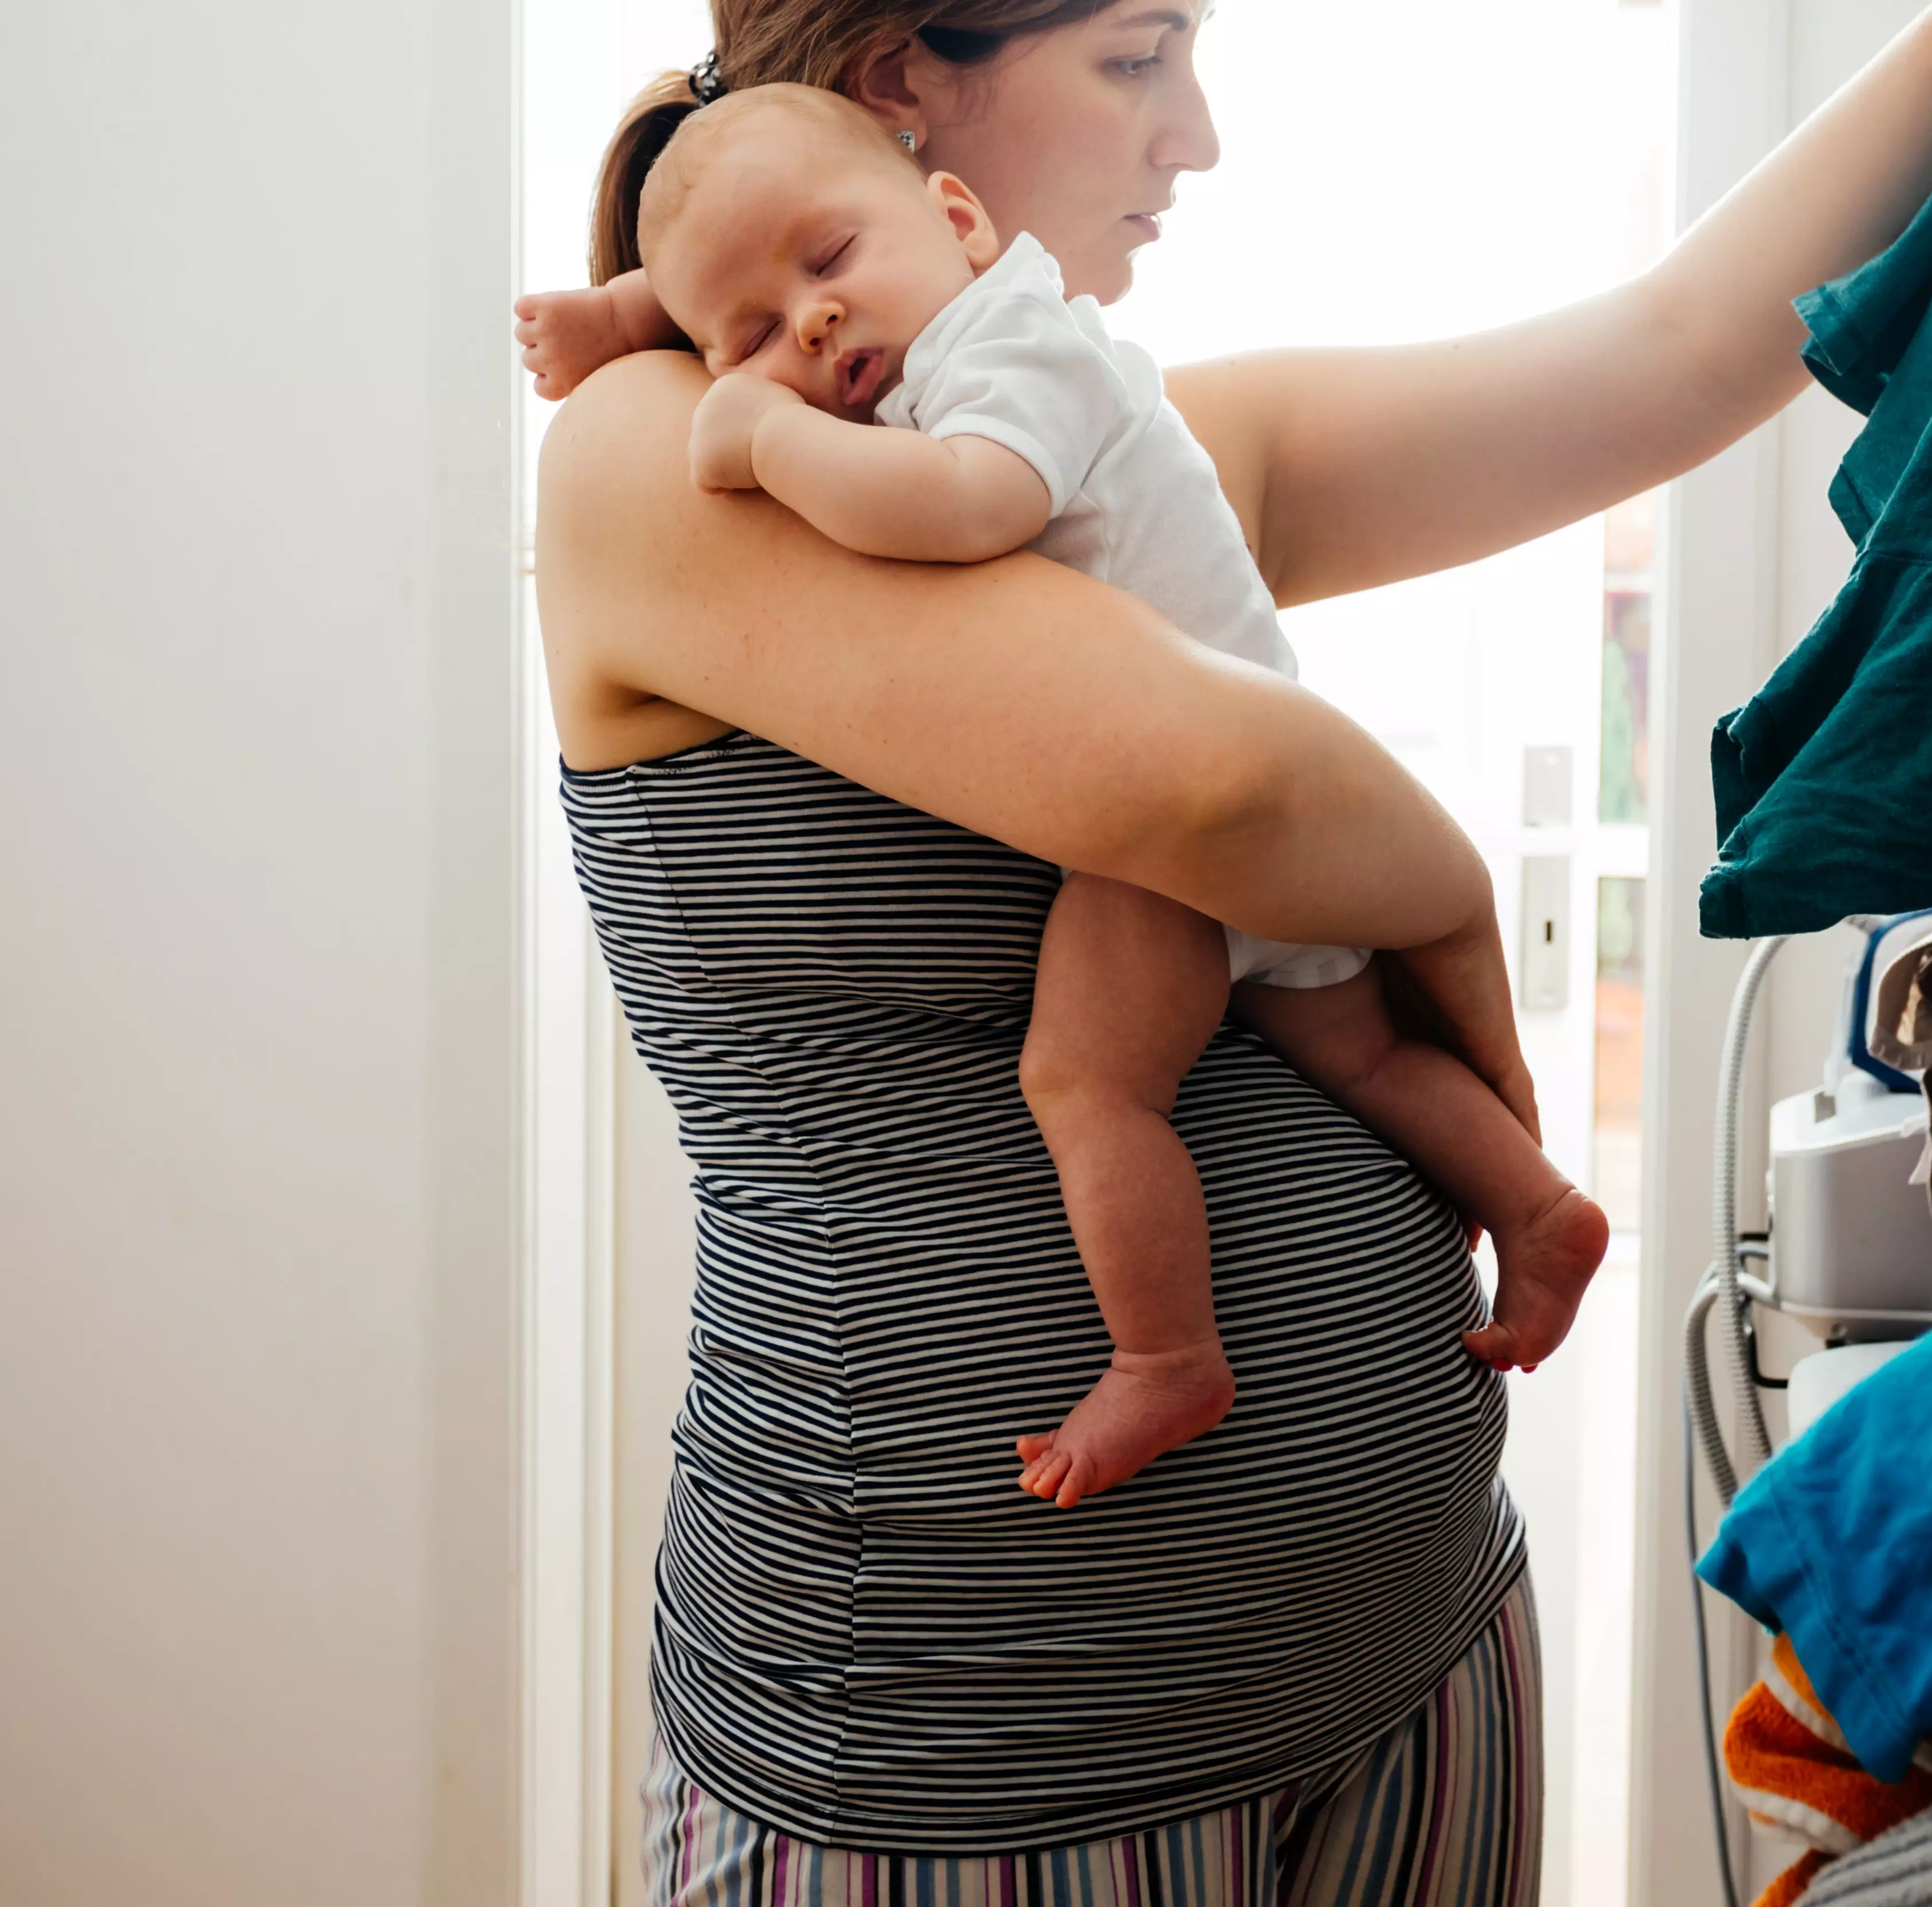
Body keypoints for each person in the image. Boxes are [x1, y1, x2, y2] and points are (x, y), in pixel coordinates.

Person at [532, 0, 1932, 1904]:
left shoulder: (1126, 450)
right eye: (1136, 55)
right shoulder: (675, 455)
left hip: (1412, 1652)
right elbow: (1217, 789)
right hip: (970, 1742)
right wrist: (1447, 920)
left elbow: (1684, 343)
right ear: (900, 94)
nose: (1192, 134)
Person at [544, 77, 1613, 1510]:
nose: (806, 326)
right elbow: (772, 246)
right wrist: (631, 322)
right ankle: (1541, 1211)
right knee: (1360, 1058)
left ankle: (1170, 1352)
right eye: (745, 333)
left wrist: (771, 433)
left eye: (832, 266)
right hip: (1237, 826)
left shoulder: (1015, 344)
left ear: (961, 218)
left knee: (1088, 1075)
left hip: (1183, 851)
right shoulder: (923, 321)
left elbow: (969, 505)